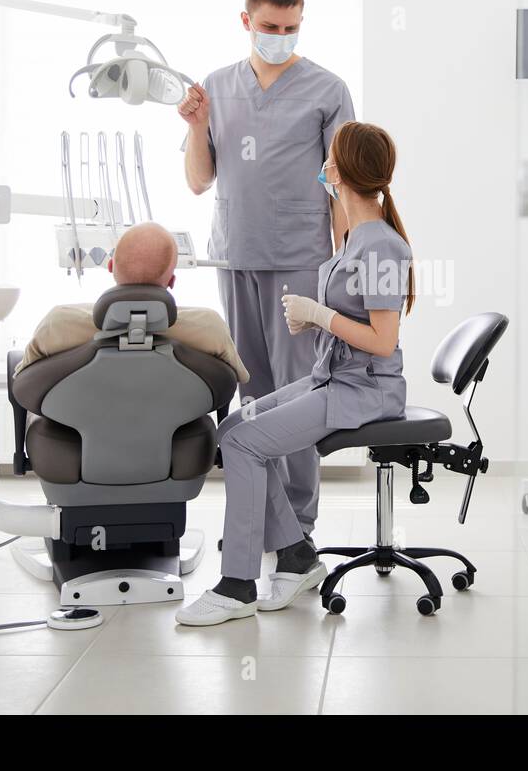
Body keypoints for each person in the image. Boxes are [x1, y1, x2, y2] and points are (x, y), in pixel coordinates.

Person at [174, 122, 414, 626]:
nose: (322, 166)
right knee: (233, 430)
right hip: (335, 378)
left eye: (329, 159)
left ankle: (237, 585)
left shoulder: (382, 246)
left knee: (245, 445)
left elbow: (383, 341)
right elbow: (354, 320)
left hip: (367, 390)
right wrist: (312, 318)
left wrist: (320, 315)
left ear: (340, 172)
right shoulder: (354, 238)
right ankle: (297, 555)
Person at [177, 0, 354, 544]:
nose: (280, 37)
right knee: (251, 390)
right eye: (270, 26)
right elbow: (199, 181)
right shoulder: (215, 88)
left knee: (298, 390)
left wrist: (345, 263)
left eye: (291, 28)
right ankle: (259, 521)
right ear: (246, 21)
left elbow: (343, 187)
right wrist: (197, 126)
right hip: (235, 255)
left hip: (300, 257)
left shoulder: (327, 90)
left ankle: (298, 526)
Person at [14, 222, 247, 382]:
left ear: (110, 266)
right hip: (178, 435)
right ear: (172, 281)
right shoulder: (209, 327)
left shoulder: (58, 323)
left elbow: (22, 378)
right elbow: (238, 377)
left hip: (73, 436)